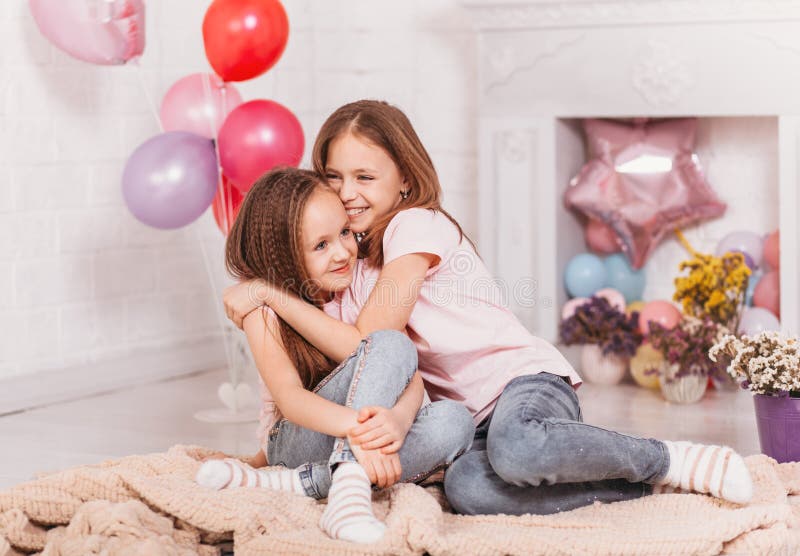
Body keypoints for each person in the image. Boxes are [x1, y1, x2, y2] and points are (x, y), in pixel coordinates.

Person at [223, 100, 754, 516]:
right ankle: (635, 484)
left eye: (365, 177)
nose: (347, 192)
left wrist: (271, 296)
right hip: (470, 421)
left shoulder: (416, 226)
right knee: (470, 490)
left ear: (404, 180)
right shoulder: (352, 267)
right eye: (334, 176)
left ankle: (672, 458)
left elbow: (374, 339)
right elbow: (341, 372)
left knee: (519, 446)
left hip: (521, 385)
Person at [197, 167, 475, 543]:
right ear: (282, 256)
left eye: (345, 232)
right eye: (321, 245)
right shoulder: (263, 312)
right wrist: (359, 432)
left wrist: (396, 419)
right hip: (296, 439)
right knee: (389, 342)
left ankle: (309, 484)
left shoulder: (359, 284)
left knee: (455, 421)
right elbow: (291, 401)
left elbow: (409, 374)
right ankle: (346, 491)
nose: (343, 252)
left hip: (338, 441)